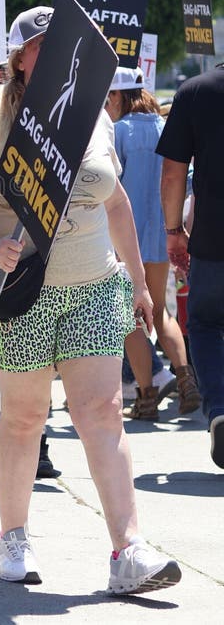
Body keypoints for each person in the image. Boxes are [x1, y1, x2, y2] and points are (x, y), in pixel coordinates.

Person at [0, 6, 181, 594]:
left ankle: (128, 549)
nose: (56, 58)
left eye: (63, 47)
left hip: (95, 287)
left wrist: (135, 285)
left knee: (101, 412)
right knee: (25, 417)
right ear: (19, 61)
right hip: (25, 292)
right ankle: (12, 538)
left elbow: (118, 203)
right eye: (42, 48)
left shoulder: (94, 118)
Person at [106, 67, 200, 419]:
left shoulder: (116, 132)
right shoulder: (165, 127)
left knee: (131, 318)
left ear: (117, 96)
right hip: (162, 232)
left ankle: (146, 397)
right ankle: (186, 379)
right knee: (160, 312)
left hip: (125, 239)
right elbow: (187, 179)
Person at [156, 62, 224, 468]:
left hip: (214, 238)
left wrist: (173, 229)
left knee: (205, 324)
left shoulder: (195, 92)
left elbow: (172, 172)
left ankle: (218, 407)